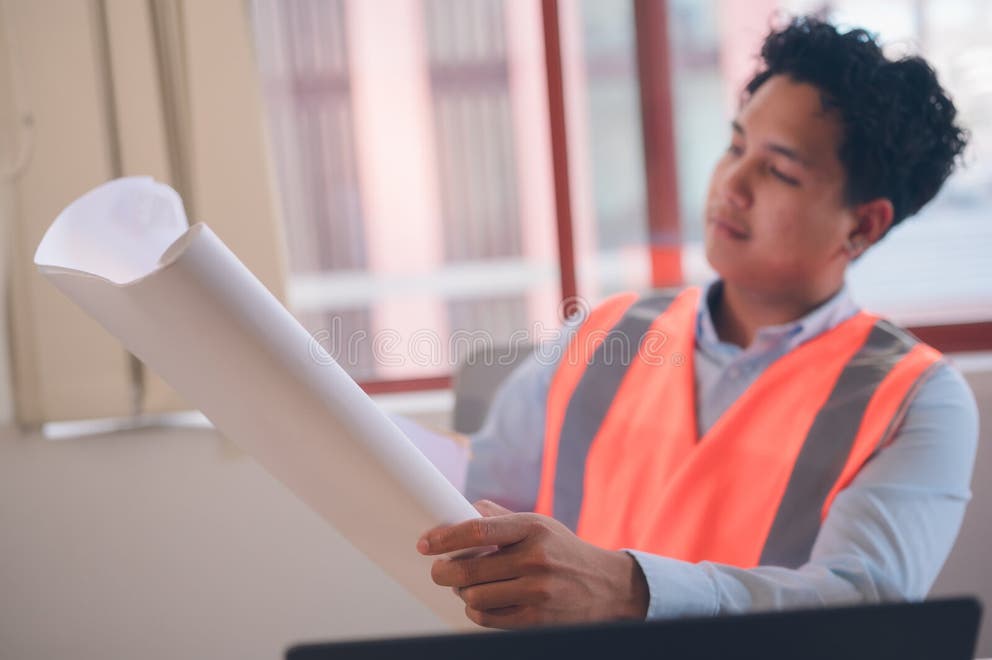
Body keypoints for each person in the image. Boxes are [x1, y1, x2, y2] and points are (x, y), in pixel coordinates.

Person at [415, 16, 978, 629]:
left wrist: (630, 590)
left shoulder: (915, 400)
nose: (731, 185)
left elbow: (861, 604)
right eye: (736, 146)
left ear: (862, 225)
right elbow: (476, 492)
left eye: (779, 171)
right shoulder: (605, 332)